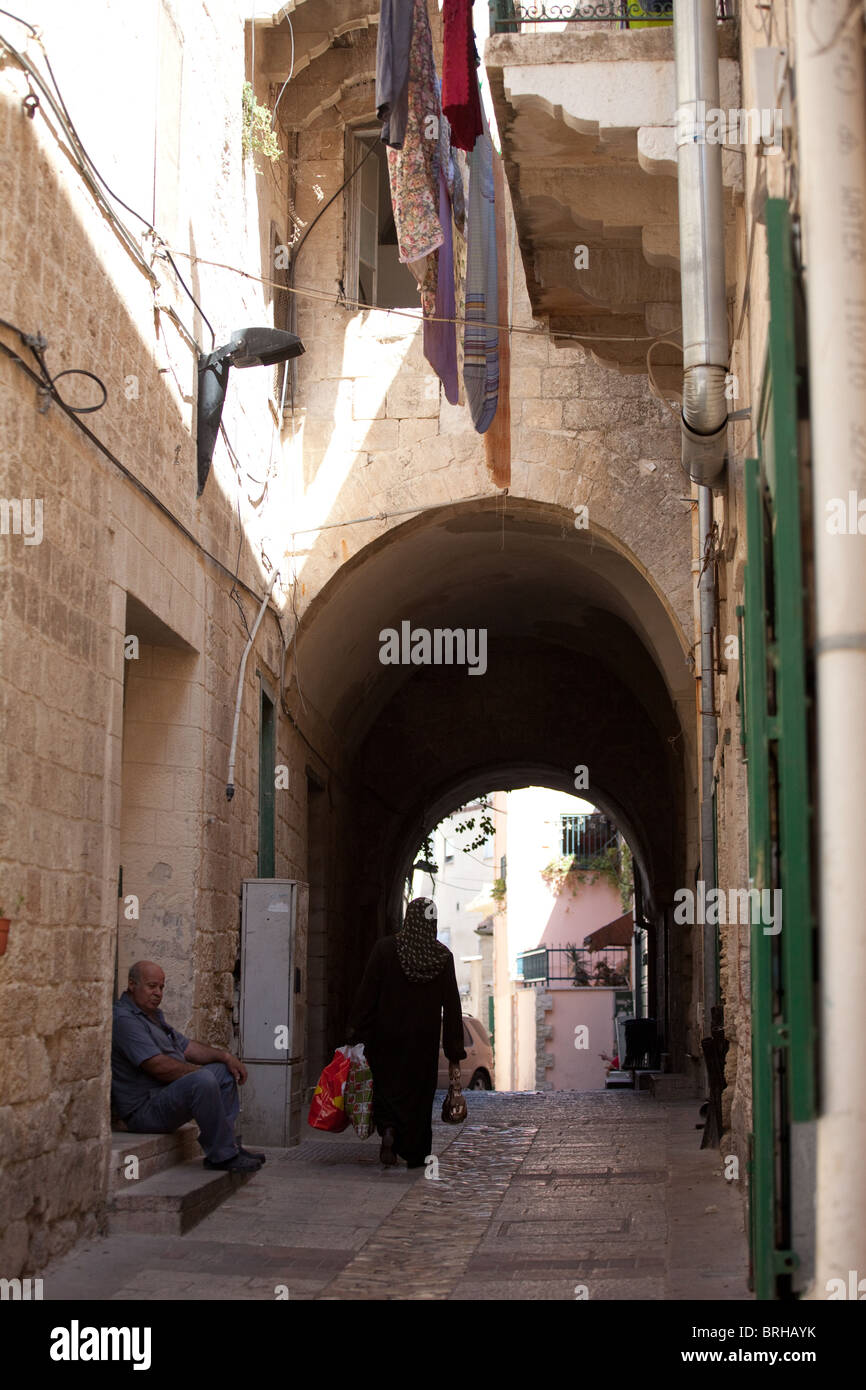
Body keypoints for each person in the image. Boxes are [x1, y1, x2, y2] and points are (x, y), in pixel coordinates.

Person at [111, 960, 264, 1174]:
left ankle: (228, 1147)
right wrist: (200, 1075)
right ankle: (222, 1156)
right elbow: (158, 1066)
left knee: (222, 1072)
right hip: (144, 1110)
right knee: (203, 1080)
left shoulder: (153, 1016)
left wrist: (226, 1057)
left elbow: (188, 1048)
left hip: (164, 1096)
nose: (158, 993)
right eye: (152, 986)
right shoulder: (124, 1020)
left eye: (161, 987)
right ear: (132, 985)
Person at [346, 897, 466, 1168]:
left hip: (385, 1041)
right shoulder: (442, 957)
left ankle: (388, 1130)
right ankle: (415, 1152)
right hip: (422, 1045)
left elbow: (367, 995)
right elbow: (453, 1007)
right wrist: (454, 1052)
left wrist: (355, 1033)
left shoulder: (385, 950)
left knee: (387, 1090)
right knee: (418, 1098)